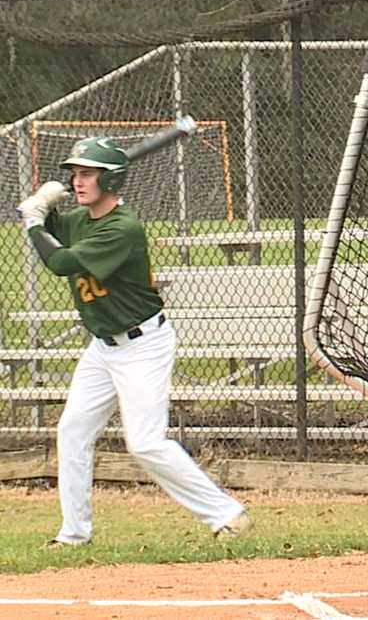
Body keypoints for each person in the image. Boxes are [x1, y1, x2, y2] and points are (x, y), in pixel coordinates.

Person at [16, 137, 251, 548]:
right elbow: (54, 232)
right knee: (72, 431)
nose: (77, 181)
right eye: (75, 174)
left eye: (87, 174)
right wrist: (44, 205)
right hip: (102, 346)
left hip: (143, 345)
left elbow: (59, 262)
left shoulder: (122, 230)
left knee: (144, 442)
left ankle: (226, 513)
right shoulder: (80, 221)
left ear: (111, 180)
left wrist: (36, 220)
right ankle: (73, 534)